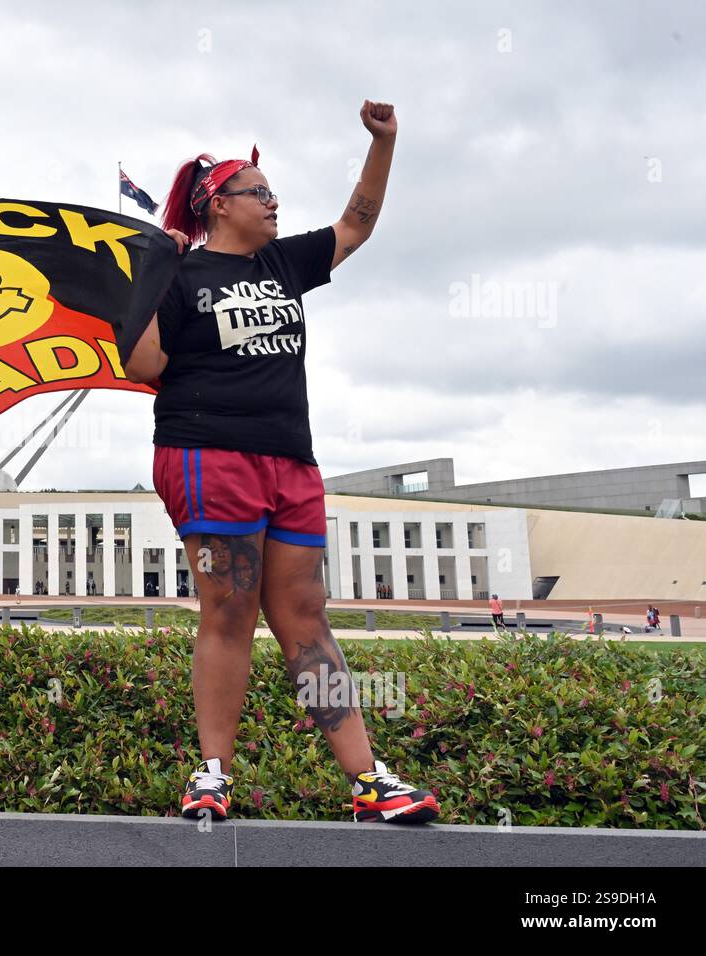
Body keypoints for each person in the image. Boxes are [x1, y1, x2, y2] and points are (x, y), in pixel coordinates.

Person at [125, 101, 437, 824]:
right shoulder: (178, 275)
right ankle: (212, 777)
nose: (274, 203)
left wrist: (384, 143)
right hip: (207, 453)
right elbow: (144, 364)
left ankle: (369, 783)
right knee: (229, 610)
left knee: (306, 617)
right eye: (261, 193)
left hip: (290, 458)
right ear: (219, 204)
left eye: (273, 194)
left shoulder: (282, 261)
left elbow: (356, 225)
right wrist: (147, 273)